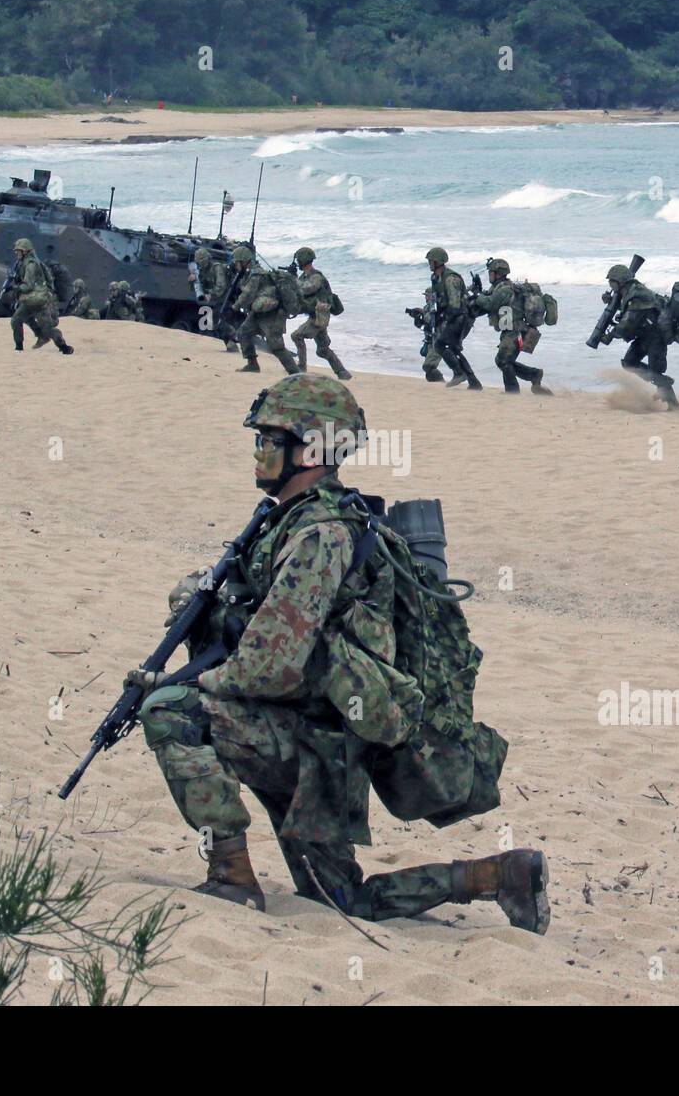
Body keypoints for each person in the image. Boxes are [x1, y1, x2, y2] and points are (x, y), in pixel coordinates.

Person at [128, 374, 550, 932]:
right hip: (319, 742)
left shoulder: (320, 533)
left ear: (310, 448)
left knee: (172, 712)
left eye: (269, 440)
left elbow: (269, 666)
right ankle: (498, 876)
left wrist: (182, 684)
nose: (258, 452)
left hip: (306, 740)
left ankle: (232, 879)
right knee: (339, 900)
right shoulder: (294, 520)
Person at [601, 263, 679, 410]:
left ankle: (673, 402)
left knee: (655, 371)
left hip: (655, 337)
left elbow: (627, 323)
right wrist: (613, 302)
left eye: (612, 282)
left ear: (620, 281)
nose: (610, 286)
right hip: (644, 336)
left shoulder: (637, 295)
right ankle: (662, 383)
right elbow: (629, 310)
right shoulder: (630, 292)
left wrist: (610, 335)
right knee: (629, 363)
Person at [476, 258, 551, 396]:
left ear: (498, 273)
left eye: (492, 272)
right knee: (503, 360)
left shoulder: (505, 289)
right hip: (511, 330)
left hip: (516, 331)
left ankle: (513, 390)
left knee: (503, 361)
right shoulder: (500, 287)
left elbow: (490, 304)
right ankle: (534, 375)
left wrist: (477, 295)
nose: (490, 275)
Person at [230, 245, 299, 374]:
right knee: (243, 332)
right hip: (259, 312)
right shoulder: (250, 273)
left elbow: (248, 294)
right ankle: (252, 364)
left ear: (244, 261)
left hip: (272, 314)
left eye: (237, 262)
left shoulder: (256, 274)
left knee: (276, 347)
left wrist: (236, 306)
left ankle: (295, 373)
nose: (236, 265)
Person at [421, 246, 480, 389]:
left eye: (431, 261)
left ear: (438, 262)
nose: (429, 264)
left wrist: (444, 317)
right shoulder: (436, 278)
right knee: (453, 348)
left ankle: (459, 373)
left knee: (440, 345)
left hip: (460, 317)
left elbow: (455, 305)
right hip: (453, 317)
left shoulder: (450, 279)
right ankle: (473, 382)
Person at [289, 247, 351, 379]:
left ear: (303, 260)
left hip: (320, 316)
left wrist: (293, 279)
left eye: (299, 260)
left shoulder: (316, 276)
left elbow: (307, 289)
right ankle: (342, 372)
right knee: (322, 350)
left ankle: (301, 368)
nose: (297, 263)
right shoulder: (304, 276)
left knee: (296, 336)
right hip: (316, 315)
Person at [9, 238, 74, 354]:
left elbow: (28, 285)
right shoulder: (24, 263)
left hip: (39, 300)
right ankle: (19, 347)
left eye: (18, 251)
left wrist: (16, 288)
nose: (16, 253)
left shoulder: (31, 265)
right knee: (16, 320)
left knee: (47, 329)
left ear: (25, 251)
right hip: (31, 299)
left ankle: (64, 347)